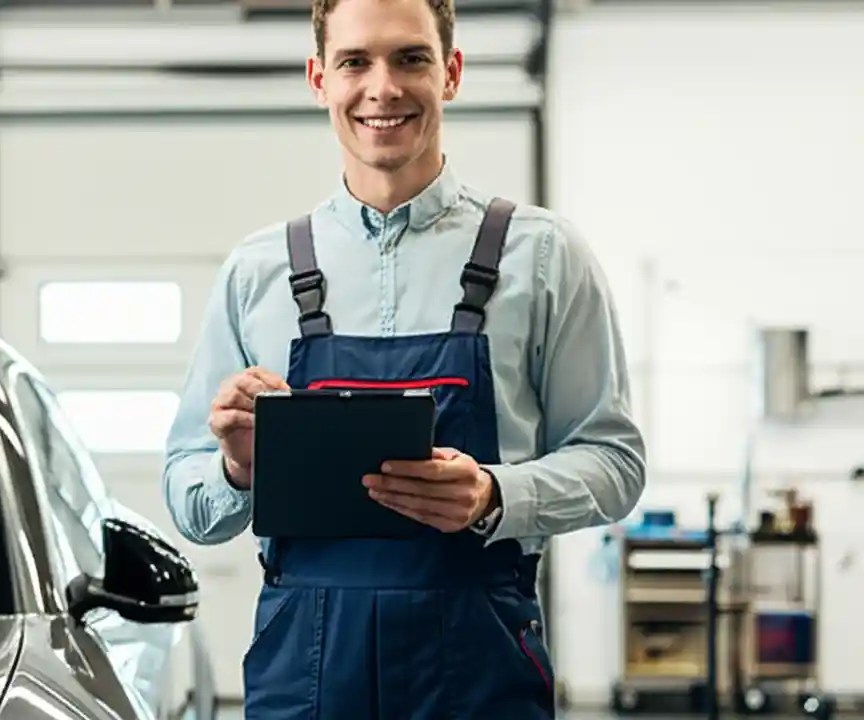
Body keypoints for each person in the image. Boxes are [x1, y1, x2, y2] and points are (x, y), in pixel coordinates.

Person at [161, 0, 647, 717]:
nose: (382, 87)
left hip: (481, 666)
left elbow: (616, 462)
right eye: (355, 61)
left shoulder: (542, 257)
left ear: (450, 73)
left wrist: (493, 494)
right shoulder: (257, 271)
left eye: (410, 58)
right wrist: (240, 467)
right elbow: (188, 499)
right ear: (319, 78)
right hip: (308, 671)